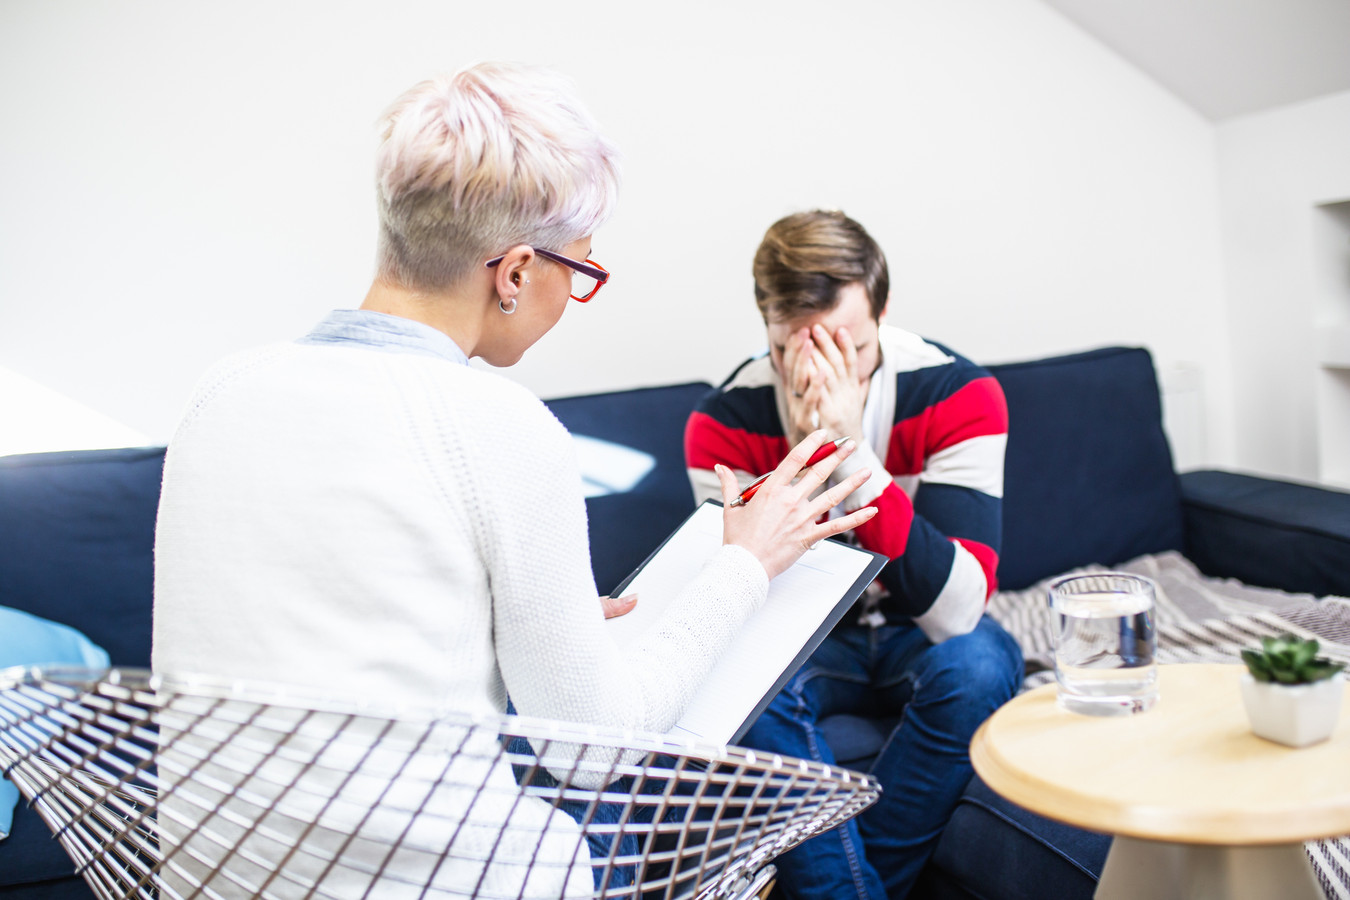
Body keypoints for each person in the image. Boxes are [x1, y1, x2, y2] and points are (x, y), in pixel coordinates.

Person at [150, 67, 878, 898]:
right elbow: (595, 751)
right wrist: (747, 562)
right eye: (583, 271)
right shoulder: (499, 426)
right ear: (516, 272)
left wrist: (508, 627)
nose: (577, 293)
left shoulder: (222, 392)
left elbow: (328, 633)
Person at [684, 210, 1023, 899]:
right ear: (766, 328)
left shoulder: (959, 394)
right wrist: (806, 461)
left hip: (918, 634)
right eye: (791, 350)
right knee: (736, 684)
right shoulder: (724, 421)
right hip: (808, 637)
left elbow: (958, 613)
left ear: (884, 314)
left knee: (982, 665)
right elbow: (749, 605)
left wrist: (852, 454)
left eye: (849, 348)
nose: (818, 373)